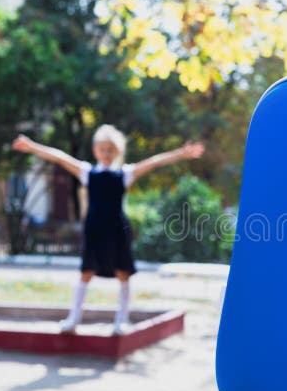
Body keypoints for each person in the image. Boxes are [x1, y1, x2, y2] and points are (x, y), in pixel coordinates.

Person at [12, 125, 205, 334]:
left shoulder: (125, 174)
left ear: (118, 152)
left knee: (123, 274)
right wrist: (31, 146)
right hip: (94, 230)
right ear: (95, 150)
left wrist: (180, 154)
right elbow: (59, 157)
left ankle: (120, 321)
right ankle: (73, 320)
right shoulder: (87, 172)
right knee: (86, 273)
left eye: (110, 150)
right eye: (102, 149)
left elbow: (154, 162)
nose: (106, 154)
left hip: (117, 230)